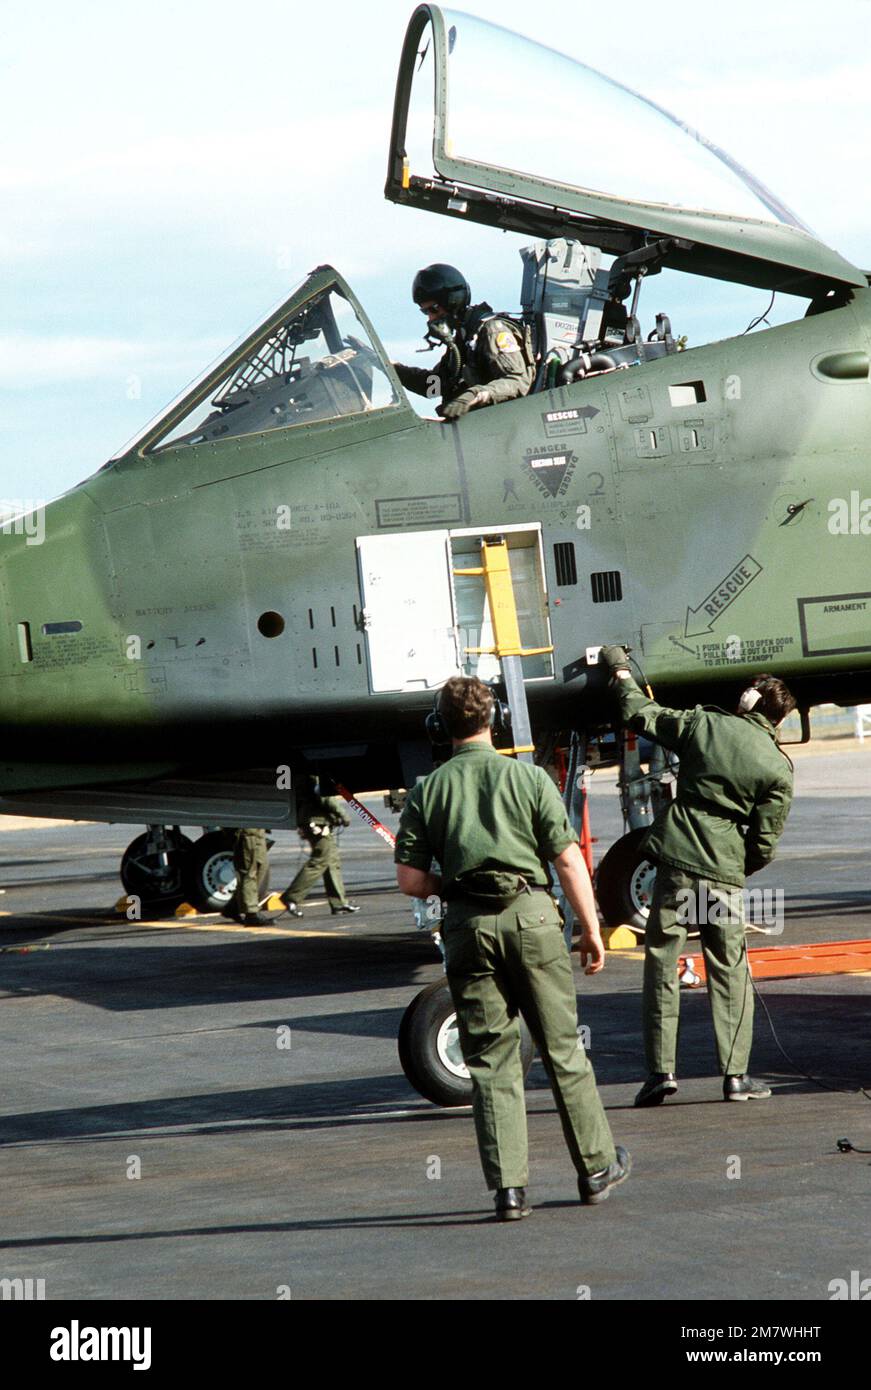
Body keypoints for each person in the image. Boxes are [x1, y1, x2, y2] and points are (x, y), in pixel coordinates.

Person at [394, 676, 630, 1221]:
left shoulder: (428, 790)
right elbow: (569, 860)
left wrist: (447, 887)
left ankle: (509, 1191)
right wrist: (592, 928)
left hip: (468, 927)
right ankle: (595, 1169)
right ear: (494, 719)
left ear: (440, 727)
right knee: (562, 1048)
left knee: (491, 1061)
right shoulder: (529, 779)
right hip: (533, 920)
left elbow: (409, 879)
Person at [599, 646, 795, 1106]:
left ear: (746, 701)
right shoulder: (777, 766)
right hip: (723, 874)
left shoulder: (704, 725)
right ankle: (736, 1077)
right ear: (776, 719)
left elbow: (638, 711)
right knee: (729, 970)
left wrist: (620, 668)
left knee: (663, 964)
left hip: (676, 862)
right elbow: (765, 844)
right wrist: (733, 864)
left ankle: (661, 1073)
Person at [392, 263, 534, 420]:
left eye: (433, 309)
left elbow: (518, 381)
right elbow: (434, 386)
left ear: (452, 301)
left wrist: (477, 394)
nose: (431, 318)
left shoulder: (492, 330)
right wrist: (393, 369)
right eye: (425, 311)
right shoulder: (463, 340)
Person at [280, 776, 360, 918]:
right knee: (319, 860)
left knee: (331, 861)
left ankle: (339, 903)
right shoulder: (314, 772)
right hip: (317, 821)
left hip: (313, 820)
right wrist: (342, 814)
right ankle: (291, 897)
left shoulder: (302, 771)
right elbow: (324, 795)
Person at [230, 827, 274, 926]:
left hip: (257, 831)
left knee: (260, 868)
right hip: (250, 833)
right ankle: (251, 913)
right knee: (250, 872)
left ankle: (234, 906)